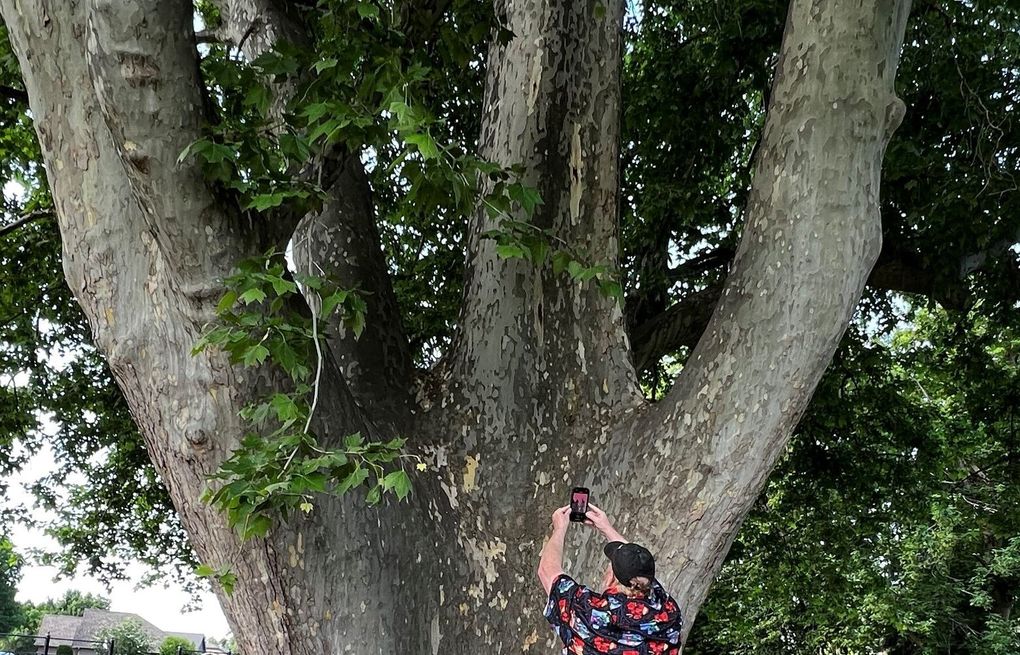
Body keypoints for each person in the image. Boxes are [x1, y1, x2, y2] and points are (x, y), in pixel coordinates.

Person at [537, 504, 683, 655]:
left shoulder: (591, 614)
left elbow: (547, 571)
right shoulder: (668, 611)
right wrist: (606, 527)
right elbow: (637, 569)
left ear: (611, 578)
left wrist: (559, 528)